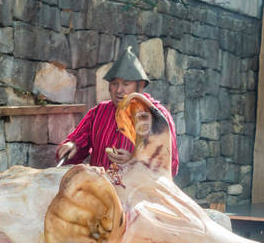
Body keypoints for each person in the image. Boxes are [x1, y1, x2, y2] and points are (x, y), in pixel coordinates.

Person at [56, 46, 179, 174]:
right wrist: (72, 146)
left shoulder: (157, 117)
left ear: (140, 86)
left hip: (136, 191)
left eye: (126, 84)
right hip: (99, 189)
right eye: (115, 83)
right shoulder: (99, 112)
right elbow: (78, 142)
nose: (119, 90)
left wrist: (134, 161)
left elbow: (170, 166)